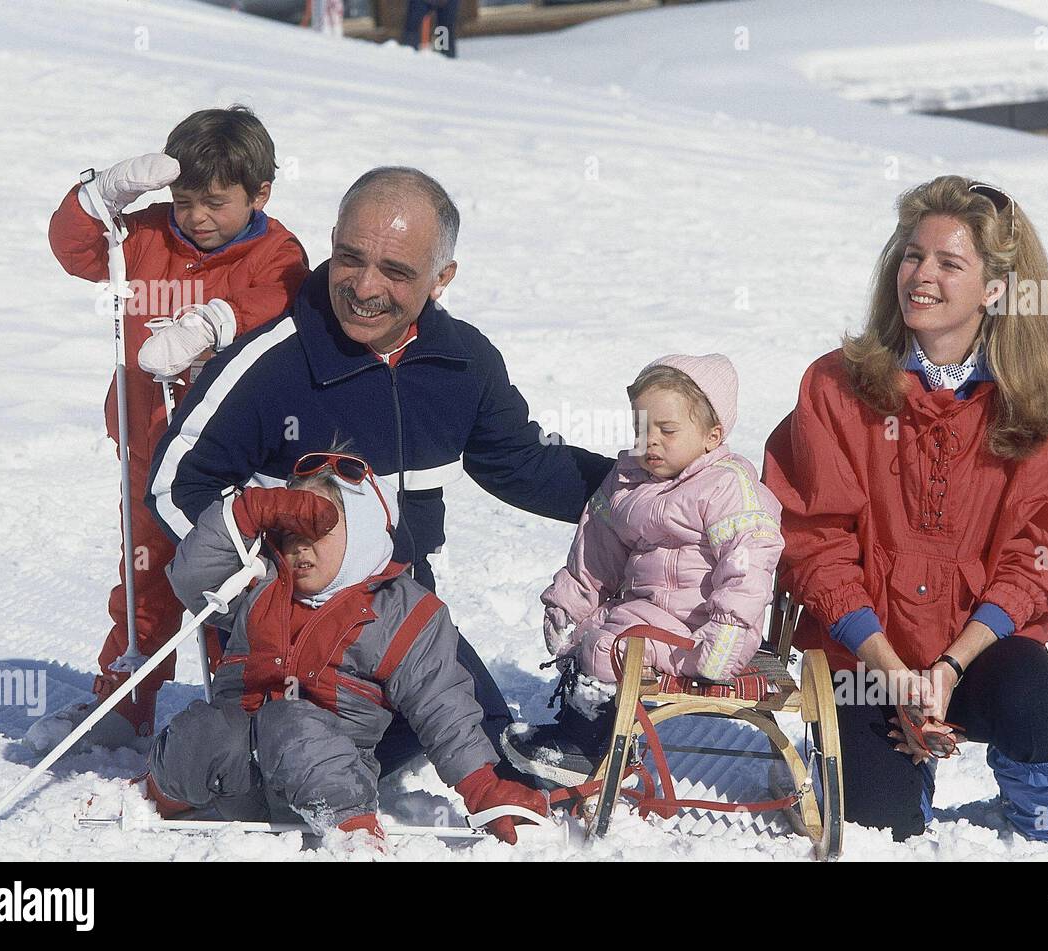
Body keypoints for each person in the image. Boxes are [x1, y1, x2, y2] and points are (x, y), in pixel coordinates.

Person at [145, 166, 614, 774]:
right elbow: (175, 484)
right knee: (307, 764)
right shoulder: (272, 360)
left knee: (492, 747)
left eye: (396, 272)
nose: (364, 287)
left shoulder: (460, 362)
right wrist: (260, 579)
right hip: (288, 635)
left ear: (441, 278)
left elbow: (521, 463)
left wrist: (656, 492)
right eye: (350, 259)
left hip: (400, 623)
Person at [762, 175, 1048, 842]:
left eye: (951, 263)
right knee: (876, 824)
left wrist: (947, 668)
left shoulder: (1042, 404)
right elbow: (815, 544)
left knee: (1037, 726)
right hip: (868, 659)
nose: (921, 275)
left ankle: (1045, 784)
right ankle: (879, 766)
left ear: (996, 288)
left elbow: (1040, 557)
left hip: (974, 656)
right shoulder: (835, 386)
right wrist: (894, 673)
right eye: (914, 255)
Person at [31, 106, 310, 753]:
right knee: (146, 576)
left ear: (260, 194)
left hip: (231, 460)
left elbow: (283, 295)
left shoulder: (276, 251)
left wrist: (214, 322)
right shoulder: (148, 237)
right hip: (145, 443)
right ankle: (125, 703)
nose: (197, 217)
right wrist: (95, 198)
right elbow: (74, 250)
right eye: (185, 200)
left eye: (215, 202)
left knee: (230, 577)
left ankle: (237, 710)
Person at [144, 449, 546, 846]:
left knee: (290, 722)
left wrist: (482, 787)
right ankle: (153, 796)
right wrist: (248, 512)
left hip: (329, 777)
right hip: (237, 781)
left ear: (363, 531)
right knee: (206, 727)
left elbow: (443, 707)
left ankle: (354, 838)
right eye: (288, 534)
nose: (299, 547)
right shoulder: (259, 586)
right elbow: (193, 578)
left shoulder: (401, 611)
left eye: (316, 531)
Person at [503, 354, 784, 787]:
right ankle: (594, 730)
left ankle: (585, 748)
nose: (649, 442)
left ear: (712, 436)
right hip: (650, 615)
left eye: (667, 431)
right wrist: (569, 607)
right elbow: (595, 553)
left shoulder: (728, 487)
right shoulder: (628, 480)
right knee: (590, 632)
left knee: (606, 646)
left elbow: (747, 568)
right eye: (640, 429)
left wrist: (725, 639)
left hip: (702, 632)